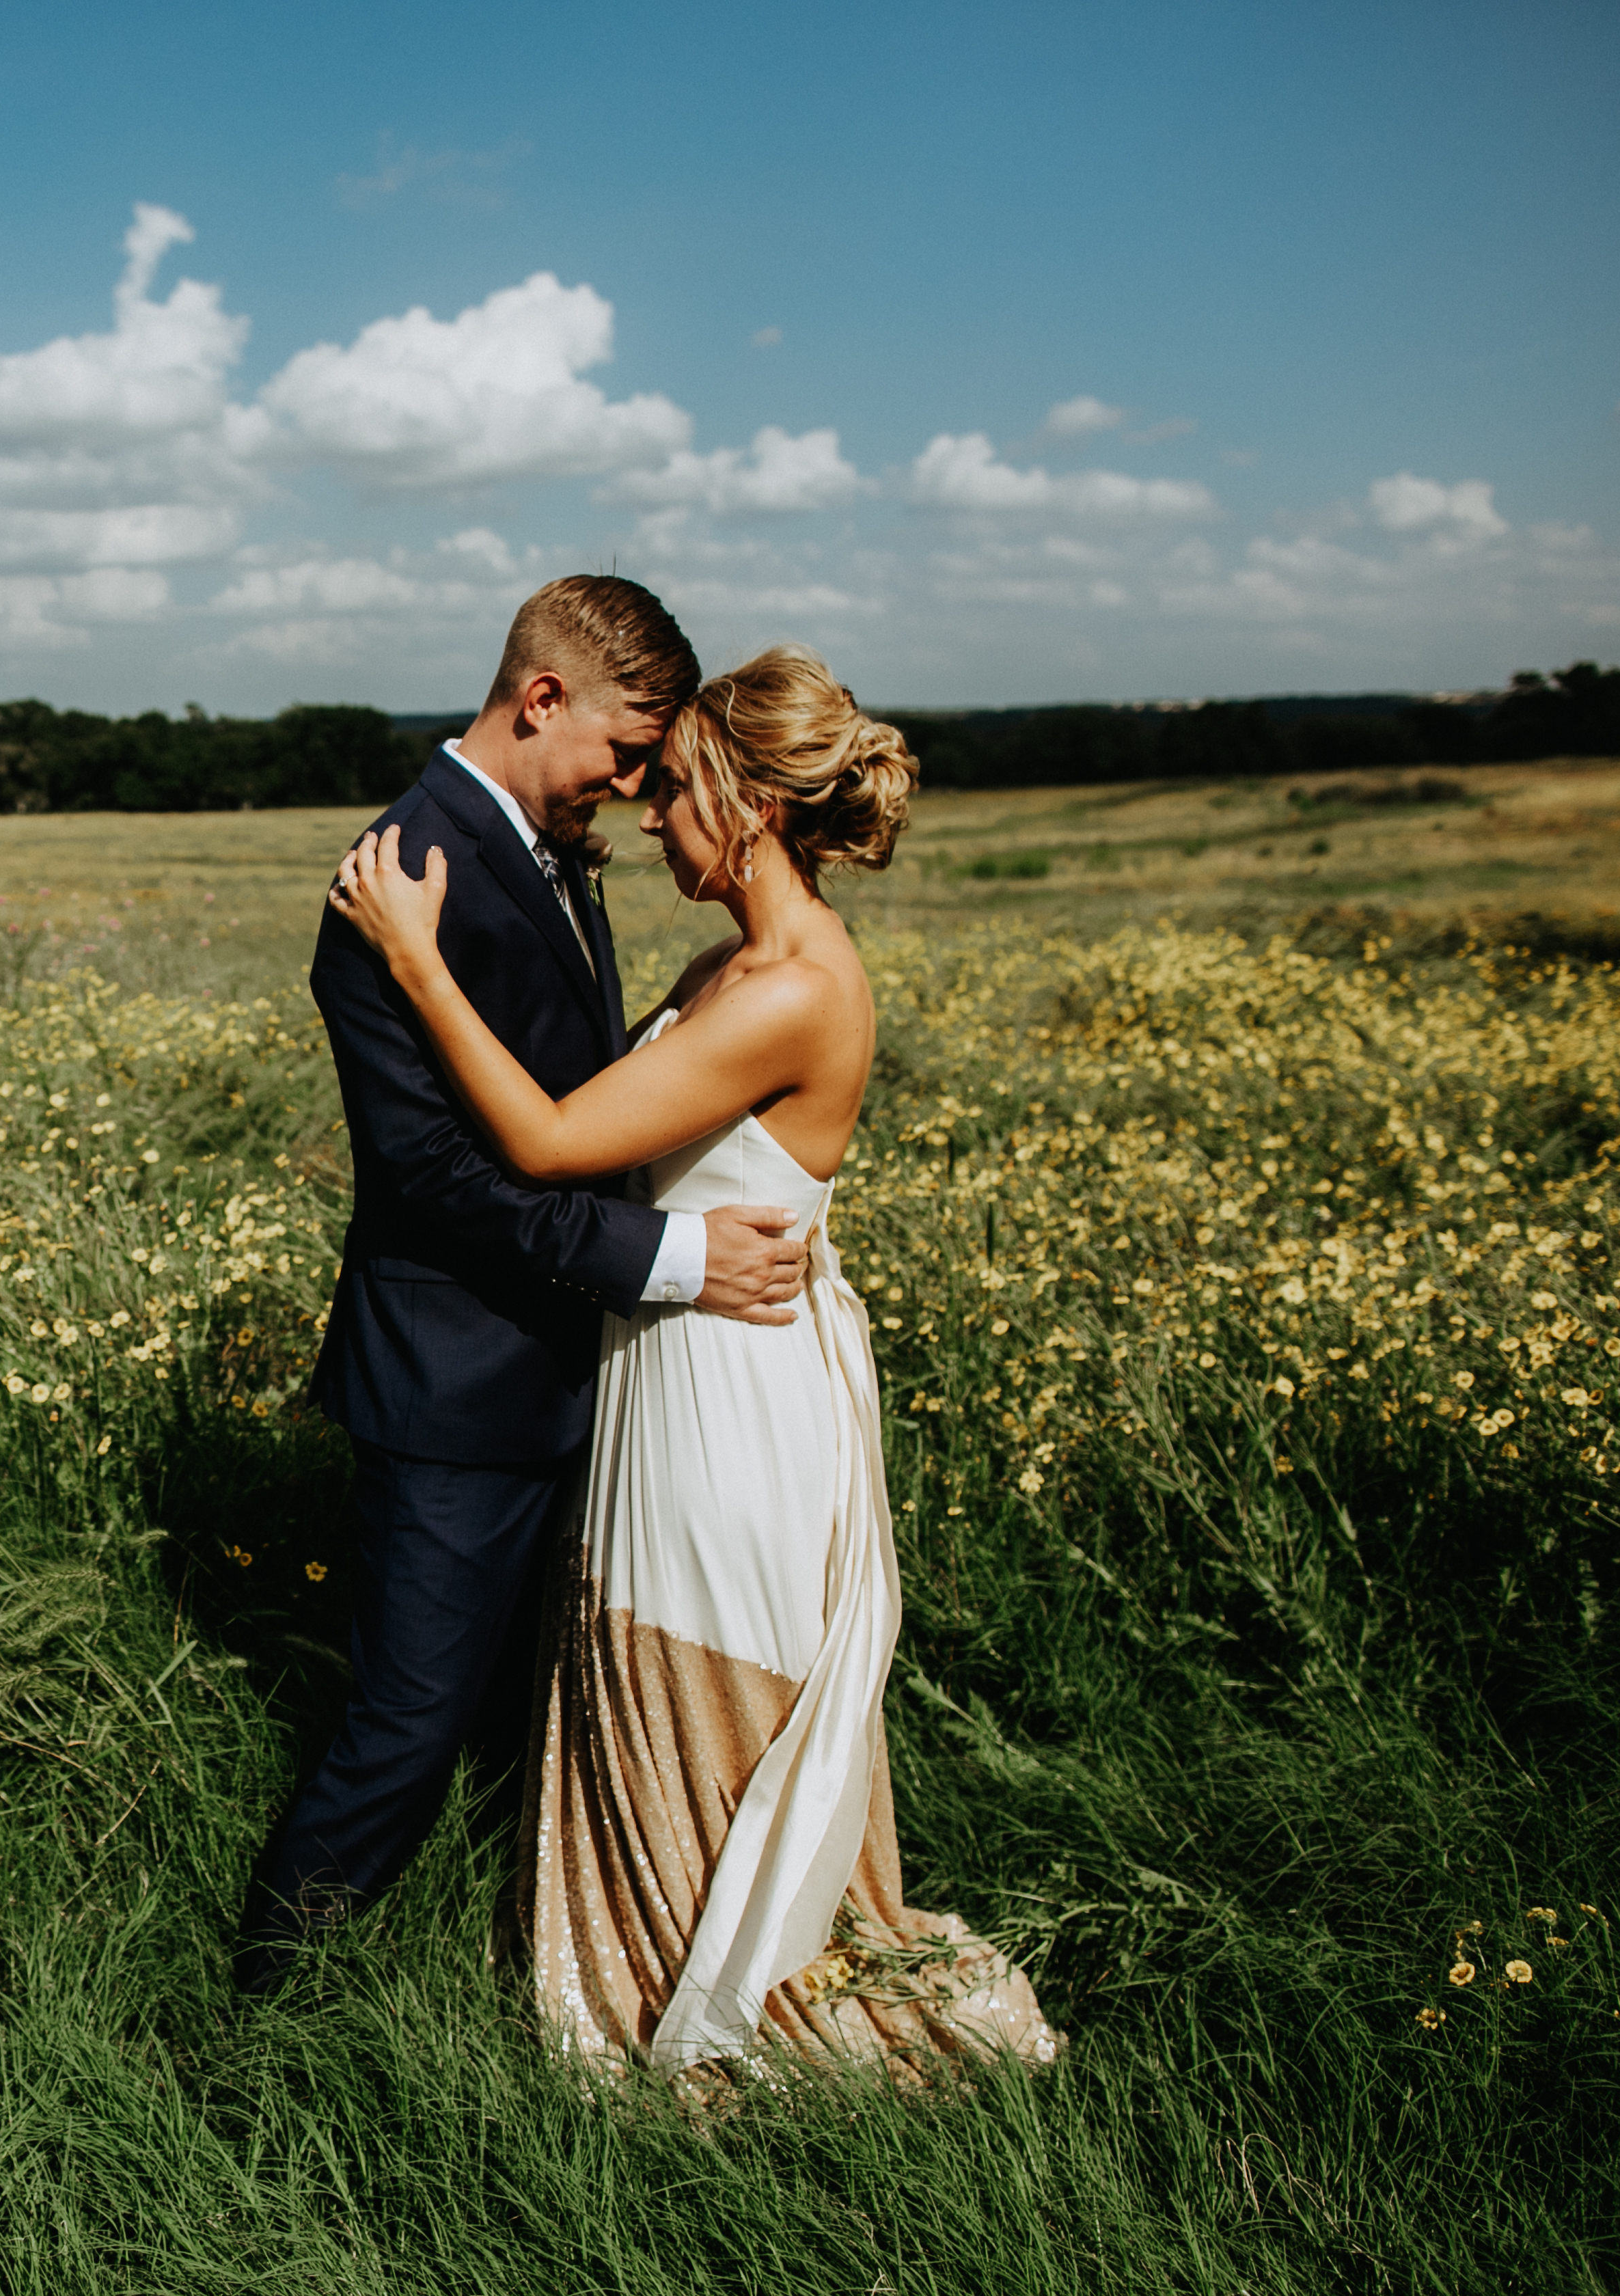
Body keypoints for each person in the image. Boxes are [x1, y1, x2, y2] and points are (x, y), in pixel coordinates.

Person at [324, 640, 1061, 2081]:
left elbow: (548, 1143)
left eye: (674, 790)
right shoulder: (734, 961)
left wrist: (416, 959)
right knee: (644, 1664)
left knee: (703, 1680)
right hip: (677, 1365)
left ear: (753, 802)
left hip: (734, 1395)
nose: (650, 813)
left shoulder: (790, 989)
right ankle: (646, 1958)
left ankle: (718, 1997)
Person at [234, 576, 812, 1997]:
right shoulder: (398, 879)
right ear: (539, 697)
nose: (630, 790)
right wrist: (673, 1263)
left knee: (525, 1712)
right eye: (624, 749)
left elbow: (583, 1098)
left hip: (567, 1367)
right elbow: (435, 1179)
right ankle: (262, 2008)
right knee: (407, 1725)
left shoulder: (547, 841)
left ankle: (511, 1967)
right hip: (453, 1382)